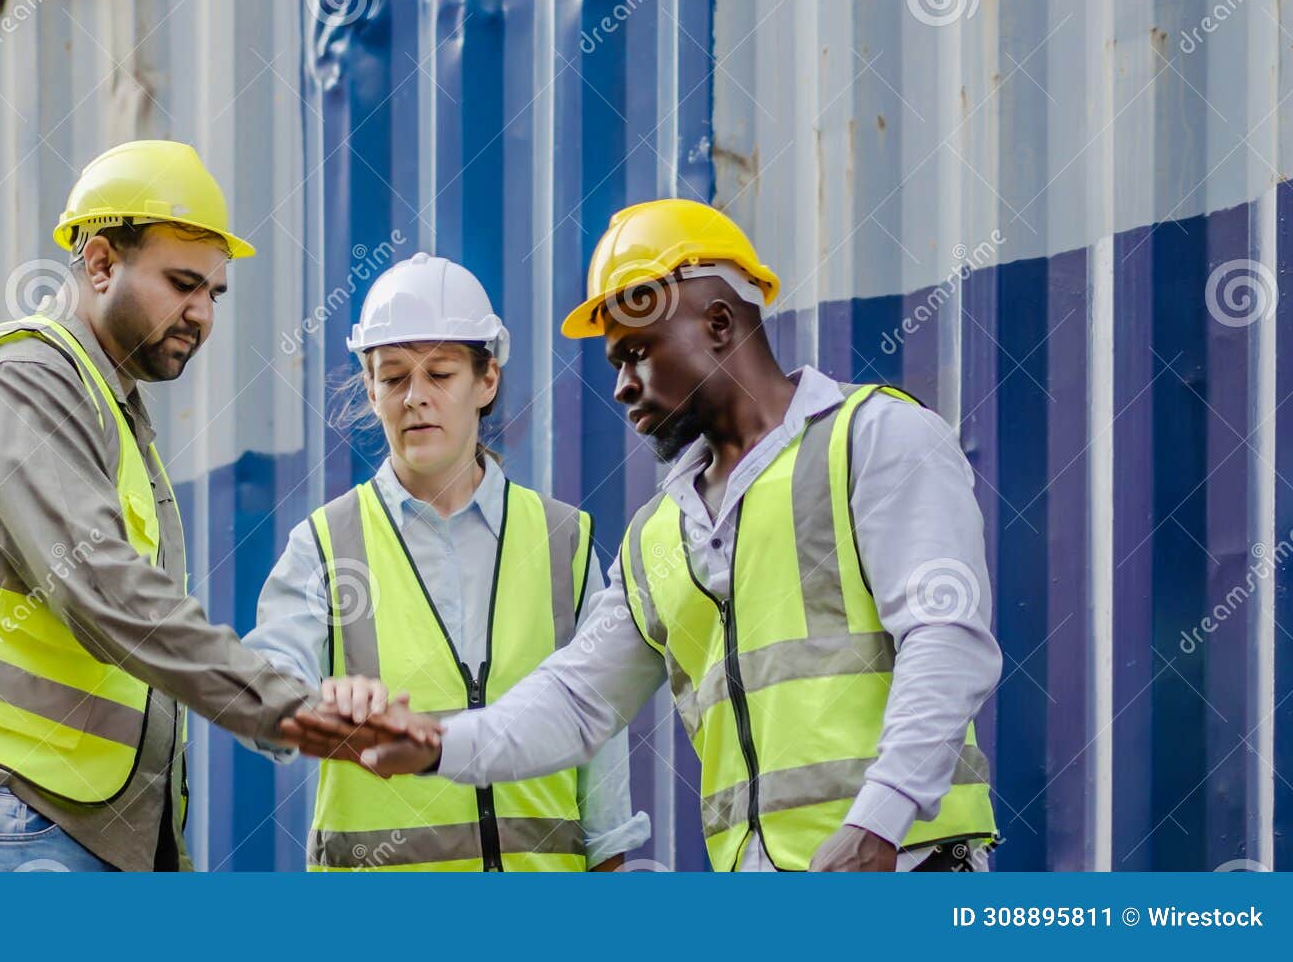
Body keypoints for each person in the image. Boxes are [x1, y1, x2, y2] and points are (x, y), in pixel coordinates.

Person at [286, 200, 1003, 872]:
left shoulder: (873, 440)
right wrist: (437, 745)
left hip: (907, 869)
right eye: (615, 363)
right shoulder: (660, 535)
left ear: (719, 324)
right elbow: (574, 704)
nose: (623, 385)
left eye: (638, 353)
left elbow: (947, 641)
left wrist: (877, 822)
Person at [0, 140, 405, 872]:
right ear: (98, 264)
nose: (201, 315)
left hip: (36, 814)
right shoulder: (19, 381)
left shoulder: (113, 420)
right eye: (182, 283)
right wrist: (287, 707)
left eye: (213, 294)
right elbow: (104, 590)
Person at [245, 252, 648, 871]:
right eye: (393, 376)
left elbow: (601, 747)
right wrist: (319, 701)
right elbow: (262, 690)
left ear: (486, 381)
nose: (415, 398)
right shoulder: (326, 544)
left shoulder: (563, 541)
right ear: (371, 390)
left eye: (440, 373)